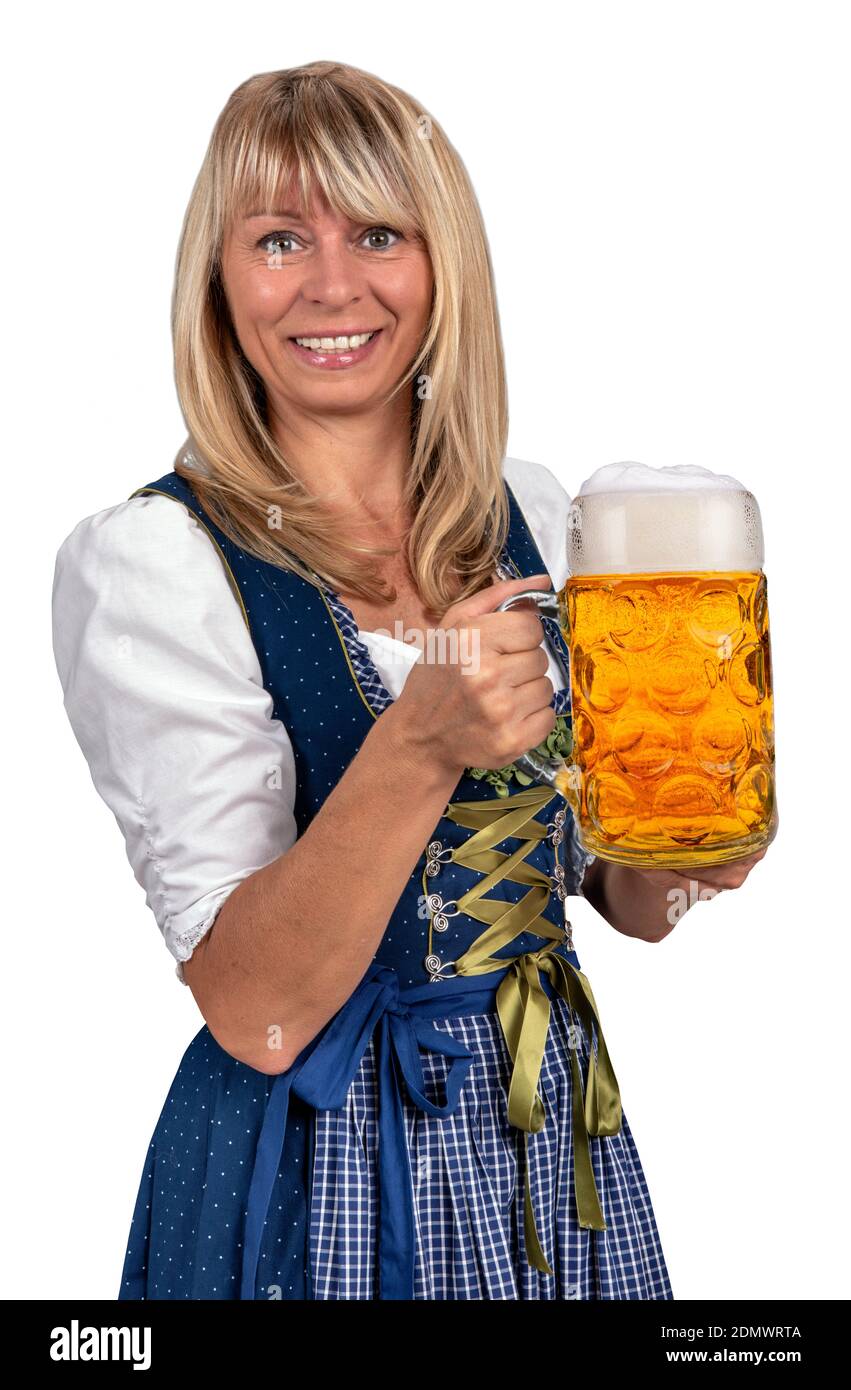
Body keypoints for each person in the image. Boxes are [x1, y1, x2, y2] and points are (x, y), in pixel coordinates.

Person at [51, 61, 766, 1301]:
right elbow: (253, 1005)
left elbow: (618, 900)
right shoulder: (156, 567)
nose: (333, 285)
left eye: (378, 232)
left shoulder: (537, 514)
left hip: (549, 1140)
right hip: (310, 1166)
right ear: (218, 281)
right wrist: (420, 741)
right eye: (279, 238)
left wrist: (694, 838)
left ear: (441, 265)